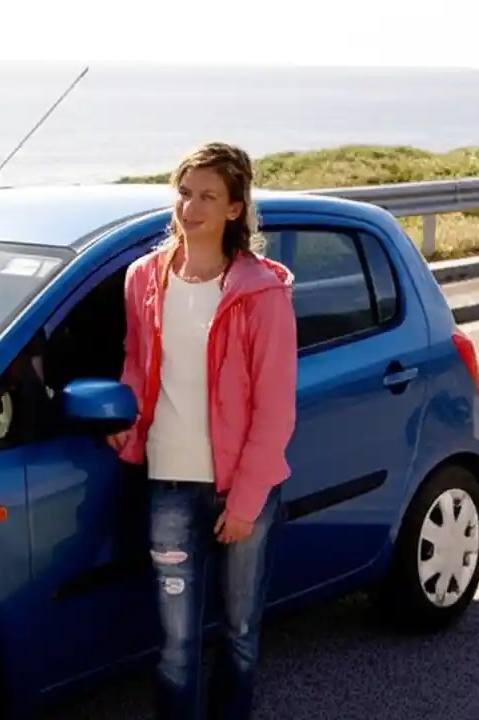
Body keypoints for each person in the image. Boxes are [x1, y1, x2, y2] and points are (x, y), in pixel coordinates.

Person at [107, 142, 297, 719]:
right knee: (176, 647)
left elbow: (274, 407)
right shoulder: (144, 278)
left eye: (208, 196)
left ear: (235, 208)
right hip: (168, 481)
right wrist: (127, 422)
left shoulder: (262, 293)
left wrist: (243, 501)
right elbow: (138, 364)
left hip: (241, 490)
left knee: (239, 630)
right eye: (185, 193)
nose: (191, 207)